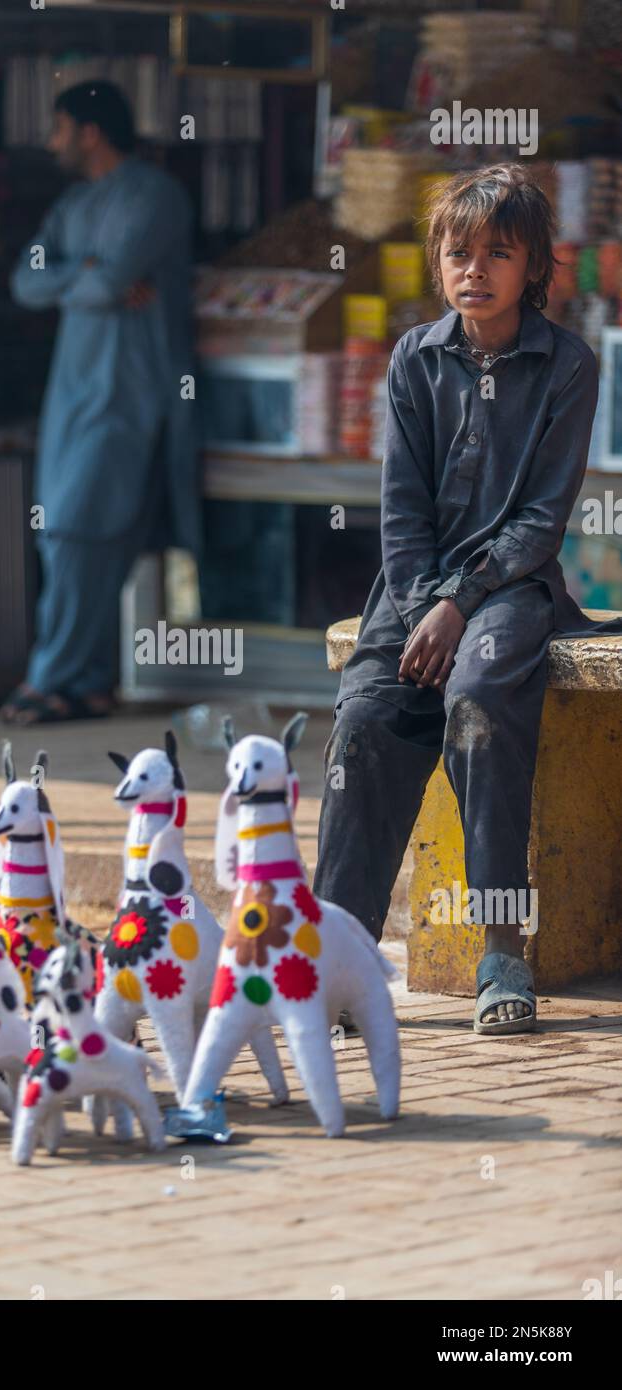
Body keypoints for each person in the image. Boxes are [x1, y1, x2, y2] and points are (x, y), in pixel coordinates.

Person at [313, 163, 622, 1036]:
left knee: (481, 700)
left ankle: (501, 949)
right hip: (410, 594)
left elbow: (539, 522)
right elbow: (400, 512)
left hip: (514, 592)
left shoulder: (568, 366)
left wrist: (461, 604)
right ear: (438, 263)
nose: (475, 269)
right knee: (369, 719)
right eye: (458, 251)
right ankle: (339, 958)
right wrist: (421, 611)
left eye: (499, 252)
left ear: (537, 269)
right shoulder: (415, 359)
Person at [1, 80, 199, 724]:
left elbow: (112, 279)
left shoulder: (154, 195)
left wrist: (91, 277)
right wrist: (86, 274)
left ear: (89, 131)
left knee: (81, 529)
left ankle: (47, 678)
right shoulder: (72, 204)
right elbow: (25, 282)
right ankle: (84, 682)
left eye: (59, 127)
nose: (52, 141)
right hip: (76, 391)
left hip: (130, 390)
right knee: (71, 533)